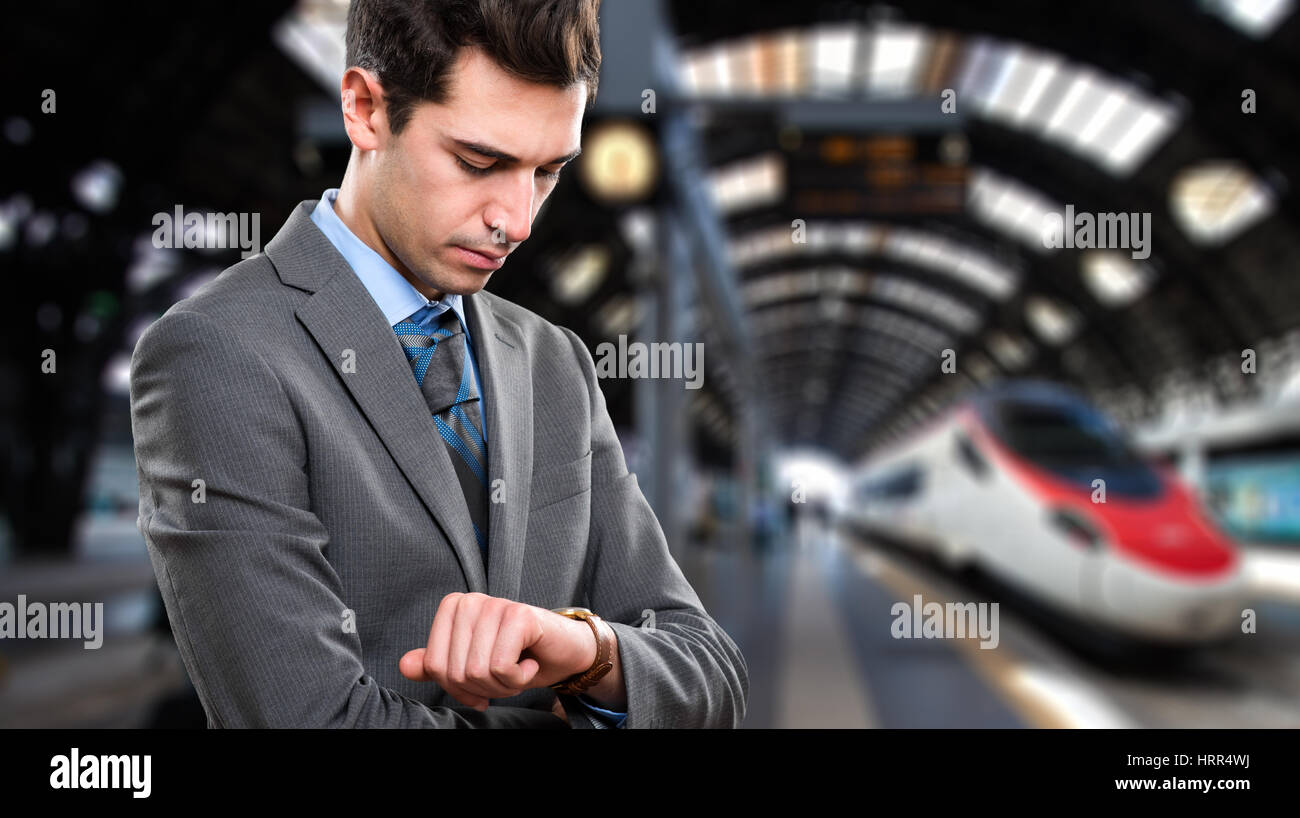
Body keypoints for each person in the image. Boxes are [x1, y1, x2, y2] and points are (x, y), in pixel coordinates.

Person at [128, 0, 748, 728]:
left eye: (548, 171)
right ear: (364, 109)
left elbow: (712, 676)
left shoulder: (556, 365)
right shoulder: (219, 355)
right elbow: (312, 719)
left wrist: (586, 650)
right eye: (479, 162)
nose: (516, 220)